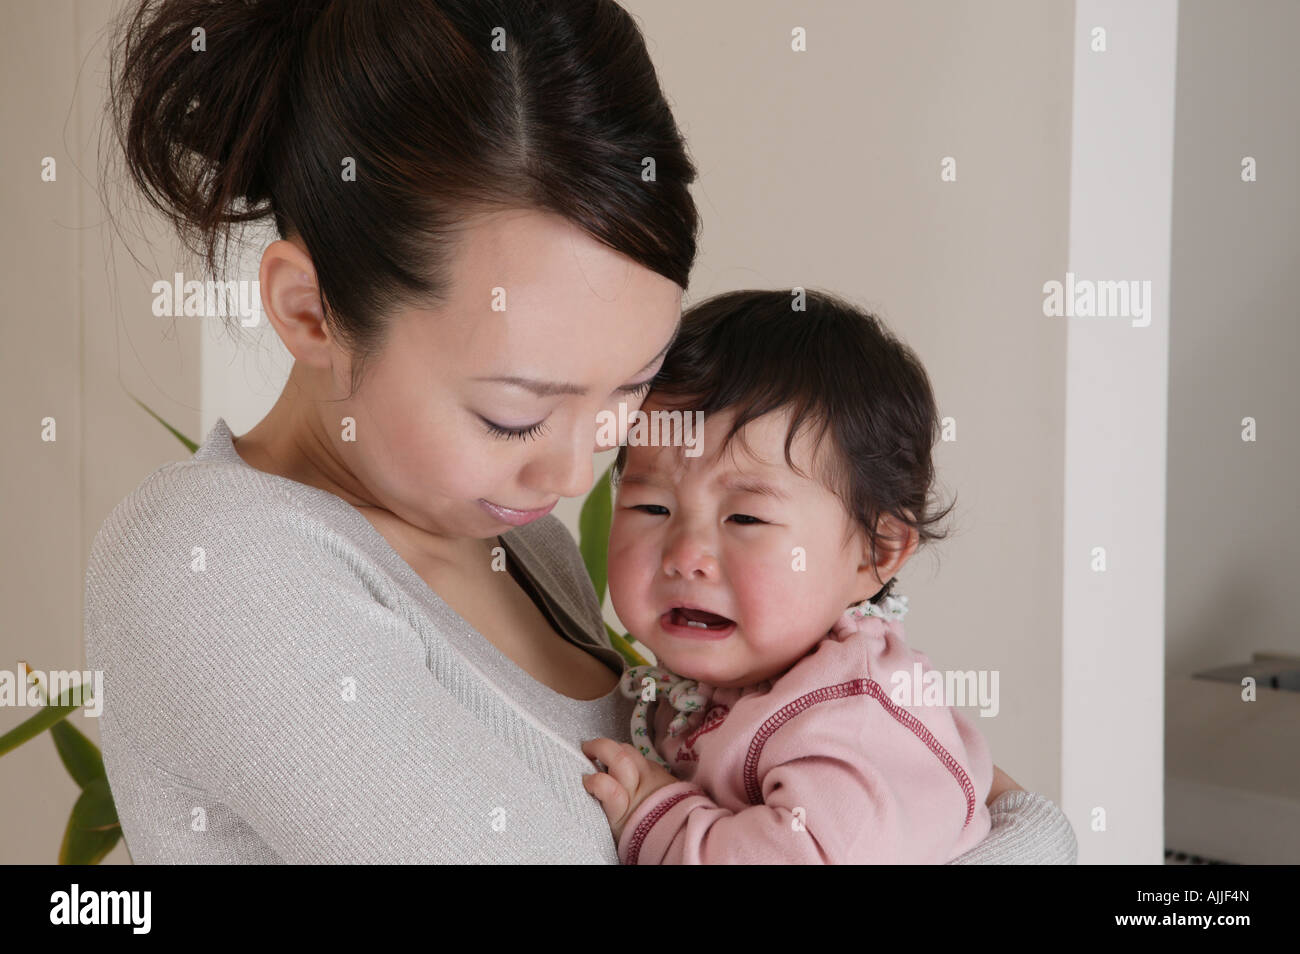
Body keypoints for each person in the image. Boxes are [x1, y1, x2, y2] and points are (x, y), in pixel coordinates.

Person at [86, 0, 1075, 863]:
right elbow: (1009, 825)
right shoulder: (213, 567)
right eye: (512, 412)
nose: (572, 472)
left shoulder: (521, 543)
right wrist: (1039, 839)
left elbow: (931, 795)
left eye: (625, 399)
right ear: (308, 313)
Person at [583, 289, 1031, 863]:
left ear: (877, 552)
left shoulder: (851, 716)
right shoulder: (728, 679)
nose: (685, 554)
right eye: (653, 509)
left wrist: (658, 816)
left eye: (745, 517)